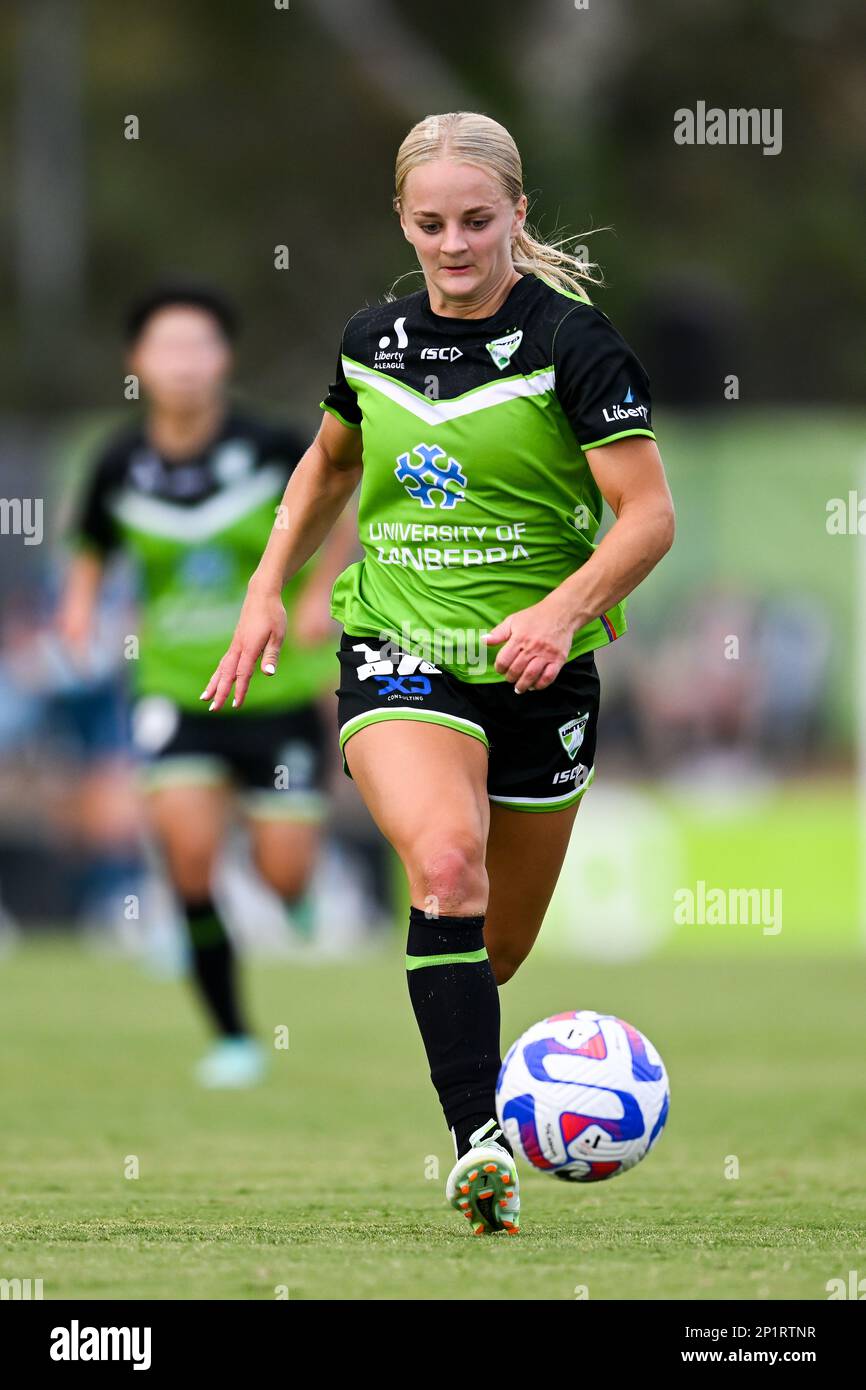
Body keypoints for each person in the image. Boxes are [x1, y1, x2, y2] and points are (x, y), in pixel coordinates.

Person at [202, 112, 675, 1228]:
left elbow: (646, 518)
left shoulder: (575, 344)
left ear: (516, 213)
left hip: (540, 672)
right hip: (397, 644)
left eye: (475, 220)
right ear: (402, 224)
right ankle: (477, 1144)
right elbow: (328, 466)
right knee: (446, 869)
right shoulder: (372, 339)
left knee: (492, 945)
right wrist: (270, 582)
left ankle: (485, 1077)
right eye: (430, 224)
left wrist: (563, 612)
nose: (454, 244)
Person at [58, 282, 356, 1088]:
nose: (185, 363)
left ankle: (290, 892)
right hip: (176, 691)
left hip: (276, 685)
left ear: (223, 358)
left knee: (283, 869)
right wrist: (81, 611)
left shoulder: (269, 443)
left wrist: (326, 588)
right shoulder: (119, 460)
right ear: (138, 363)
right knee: (189, 859)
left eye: (200, 346)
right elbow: (91, 545)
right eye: (167, 347)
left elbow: (339, 503)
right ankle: (232, 1037)